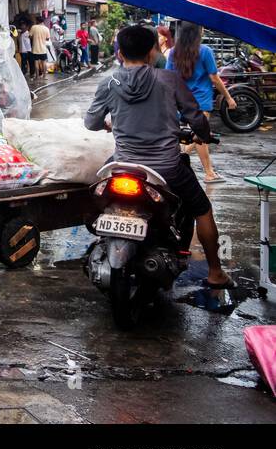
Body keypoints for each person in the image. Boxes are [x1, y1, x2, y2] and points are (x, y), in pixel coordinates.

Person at [84, 25, 231, 288]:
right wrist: (203, 135)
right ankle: (215, 272)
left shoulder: (110, 82)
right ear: (152, 51)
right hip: (166, 167)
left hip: (123, 164)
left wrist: (108, 125)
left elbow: (91, 122)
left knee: (95, 193)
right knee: (202, 208)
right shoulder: (168, 79)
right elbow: (196, 117)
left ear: (119, 52)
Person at [167, 21, 235, 183]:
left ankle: (181, 156)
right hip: (201, 101)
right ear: (198, 33)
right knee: (201, 136)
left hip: (180, 100)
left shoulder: (173, 52)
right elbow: (214, 77)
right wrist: (228, 97)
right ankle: (209, 173)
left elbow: (168, 76)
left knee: (196, 136)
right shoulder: (205, 51)